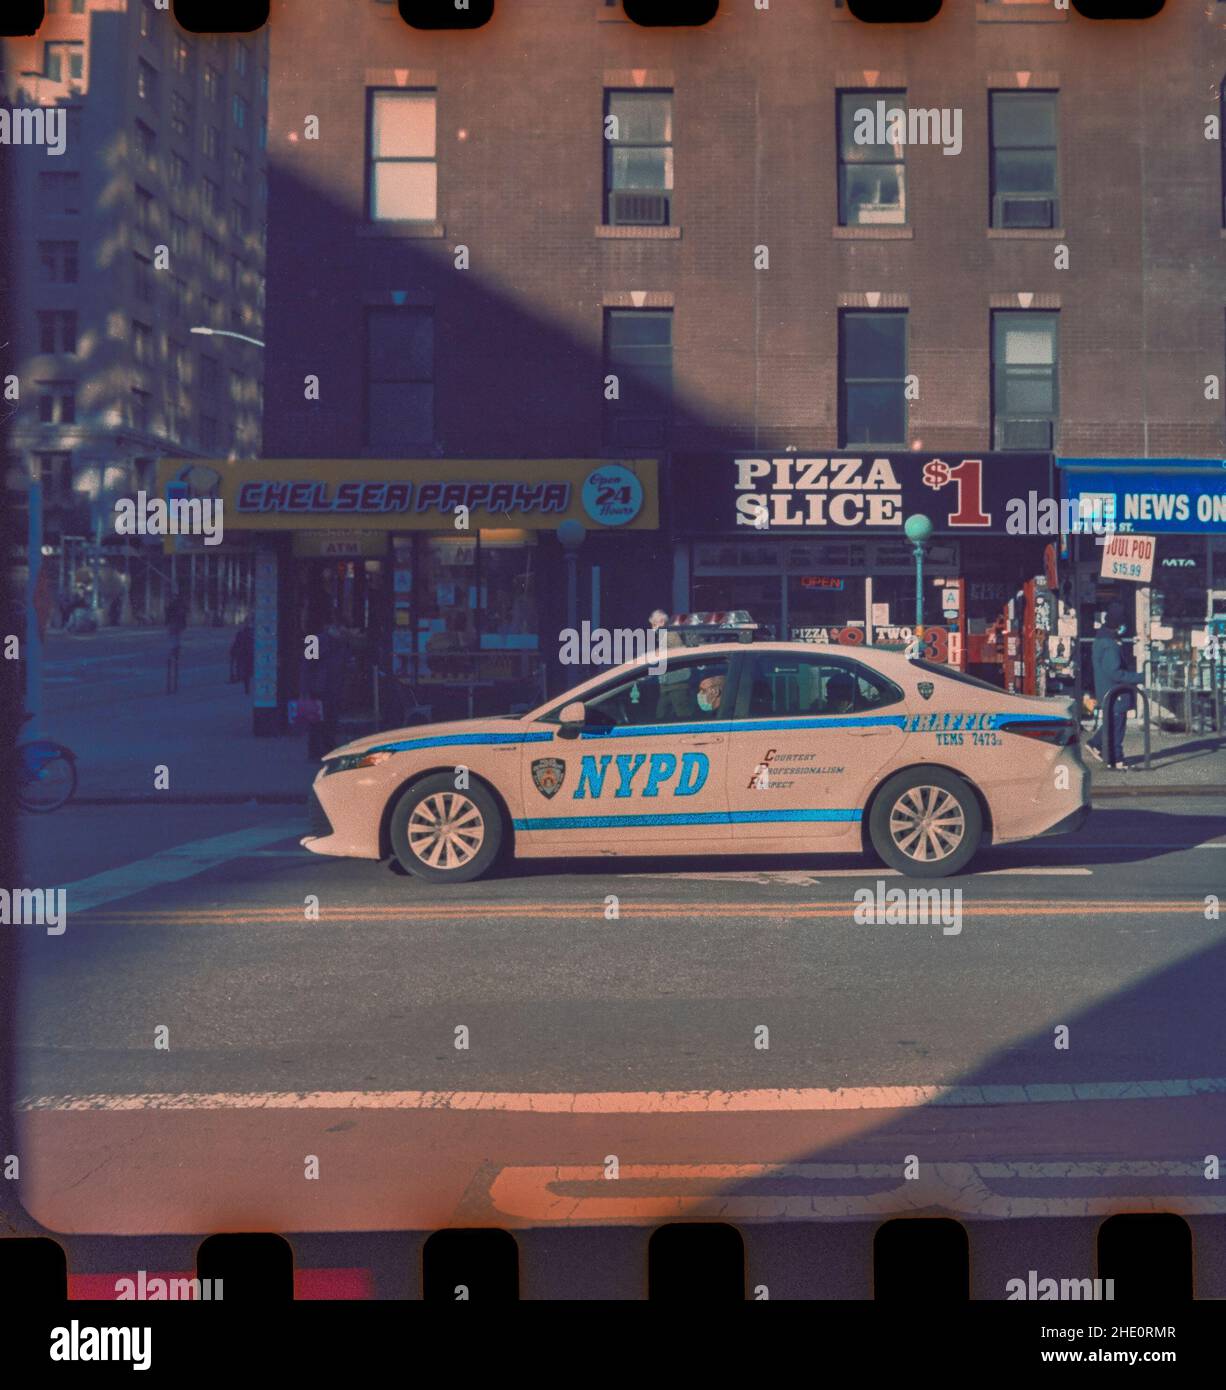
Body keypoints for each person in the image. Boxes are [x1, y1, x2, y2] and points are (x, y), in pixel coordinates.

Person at [1086, 601, 1142, 769]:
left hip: (1108, 690)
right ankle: (1115, 758)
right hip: (1115, 692)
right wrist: (1140, 677)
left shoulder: (1103, 638)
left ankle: (1110, 756)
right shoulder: (1109, 643)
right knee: (1117, 725)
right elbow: (1115, 673)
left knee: (1112, 723)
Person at [230, 621, 255, 695]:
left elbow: (236, 644)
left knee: (244, 672)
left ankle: (243, 682)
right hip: (247, 656)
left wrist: (233, 652)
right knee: (247, 673)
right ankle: (245, 685)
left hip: (243, 656)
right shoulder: (250, 637)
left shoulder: (241, 635)